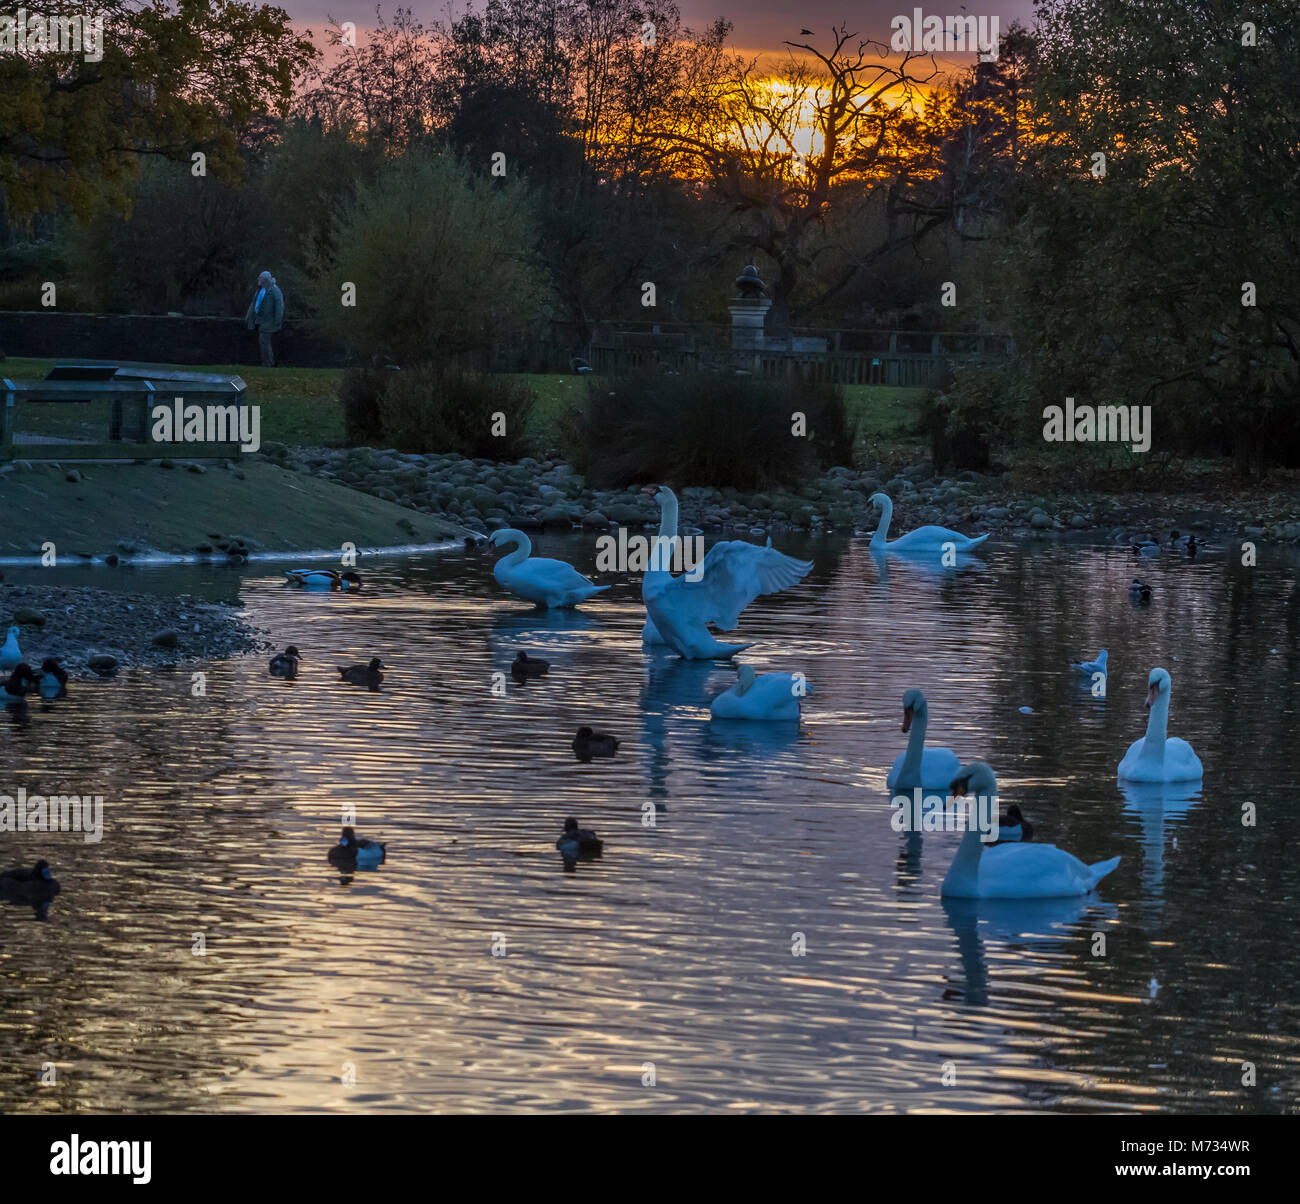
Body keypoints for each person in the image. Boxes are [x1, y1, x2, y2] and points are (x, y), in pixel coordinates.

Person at [245, 270, 284, 366]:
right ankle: (267, 363)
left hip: (269, 322)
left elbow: (279, 306)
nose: (258, 279)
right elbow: (254, 304)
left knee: (264, 342)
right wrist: (249, 317)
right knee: (263, 342)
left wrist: (277, 321)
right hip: (260, 321)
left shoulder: (274, 290)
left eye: (260, 278)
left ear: (265, 279)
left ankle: (268, 363)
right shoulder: (260, 290)